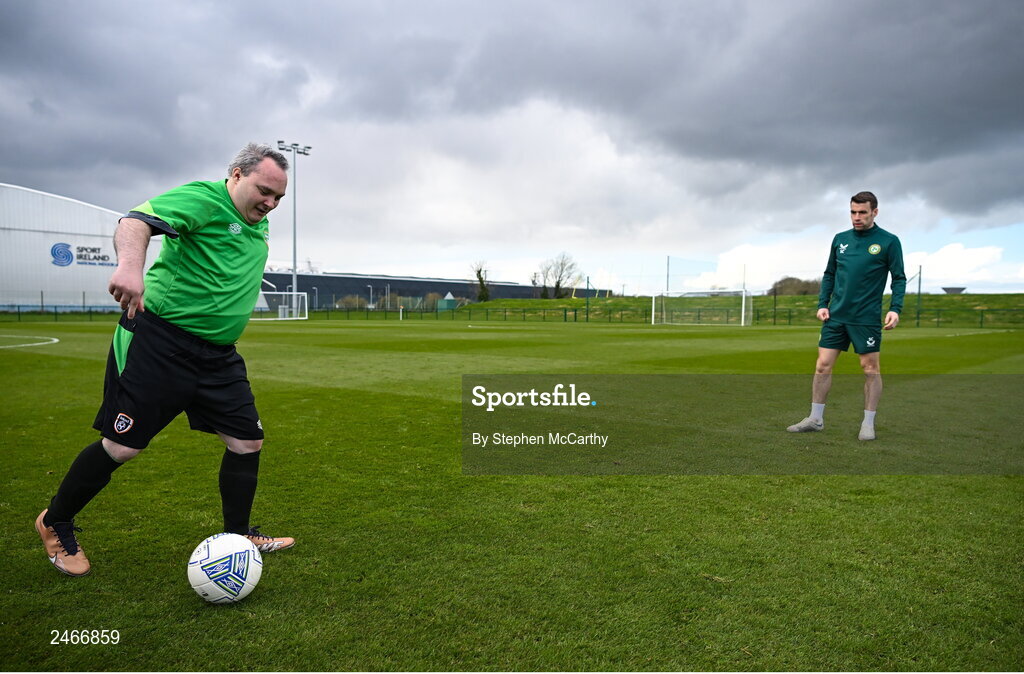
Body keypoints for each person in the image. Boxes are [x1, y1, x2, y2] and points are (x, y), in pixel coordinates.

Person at [36, 143, 296, 576]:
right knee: (122, 446)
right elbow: (135, 221)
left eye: (278, 198)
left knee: (247, 441)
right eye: (264, 191)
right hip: (160, 344)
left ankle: (238, 536)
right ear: (236, 175)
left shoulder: (256, 221)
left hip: (218, 357)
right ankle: (55, 521)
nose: (270, 204)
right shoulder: (203, 198)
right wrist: (130, 268)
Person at [787, 191, 906, 441]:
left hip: (866, 317)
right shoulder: (840, 239)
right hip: (836, 316)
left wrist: (895, 308)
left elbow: (899, 278)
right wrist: (823, 303)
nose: (857, 217)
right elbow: (829, 273)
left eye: (862, 212)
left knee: (870, 368)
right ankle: (815, 418)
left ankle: (868, 423)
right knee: (822, 366)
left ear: (875, 212)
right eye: (853, 212)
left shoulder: (889, 241)